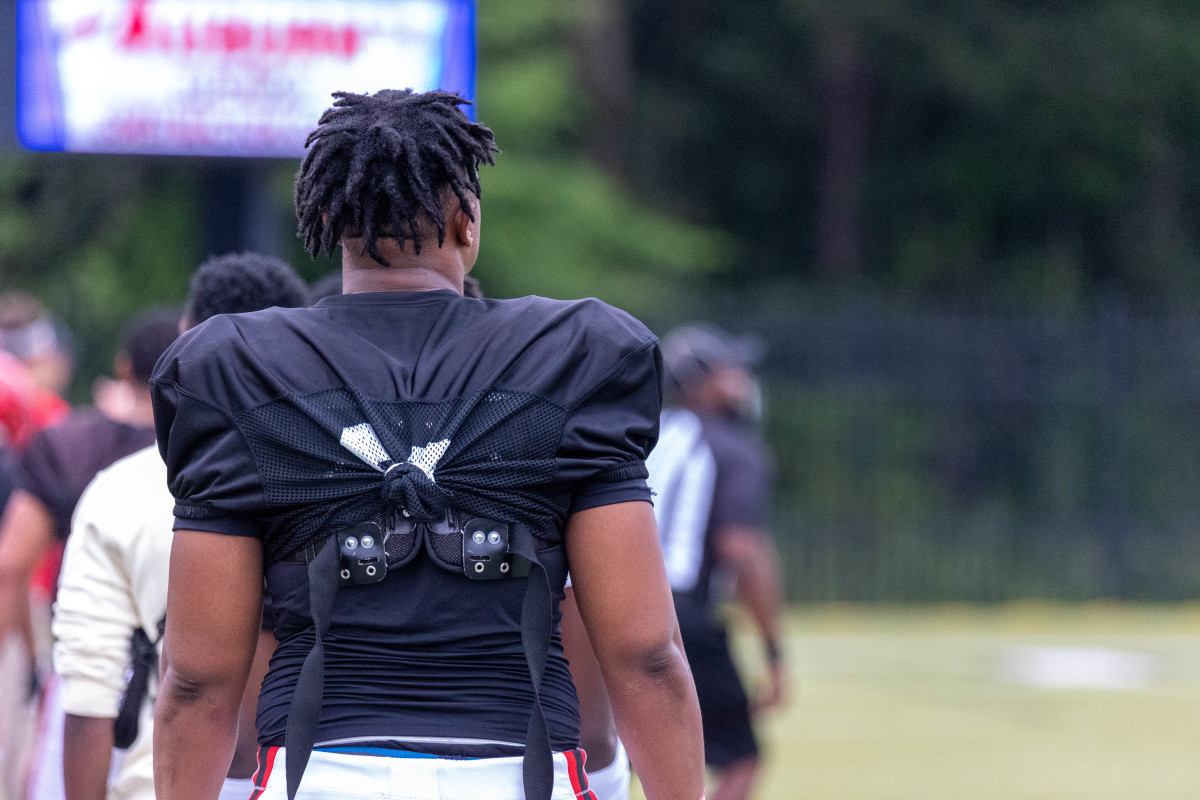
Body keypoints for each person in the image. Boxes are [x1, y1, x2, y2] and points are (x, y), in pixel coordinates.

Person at [150, 88, 704, 800]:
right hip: (519, 775)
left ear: (324, 221)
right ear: (465, 222)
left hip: (319, 777)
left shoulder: (235, 370)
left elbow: (198, 680)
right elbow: (646, 655)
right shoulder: (577, 356)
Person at [52, 253, 310, 800]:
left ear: (185, 337)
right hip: (310, 782)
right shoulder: (332, 480)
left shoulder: (119, 492)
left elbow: (90, 696)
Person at [0, 308, 180, 800]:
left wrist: (29, 656)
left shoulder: (67, 444)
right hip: (187, 670)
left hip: (83, 653)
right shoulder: (208, 456)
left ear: (124, 368)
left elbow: (11, 564)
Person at [645, 324, 786, 800]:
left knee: (623, 754)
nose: (744, 378)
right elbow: (742, 552)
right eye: (733, 368)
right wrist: (773, 652)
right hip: (686, 616)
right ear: (705, 379)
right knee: (741, 759)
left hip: (616, 604)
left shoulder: (651, 434)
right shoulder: (733, 447)